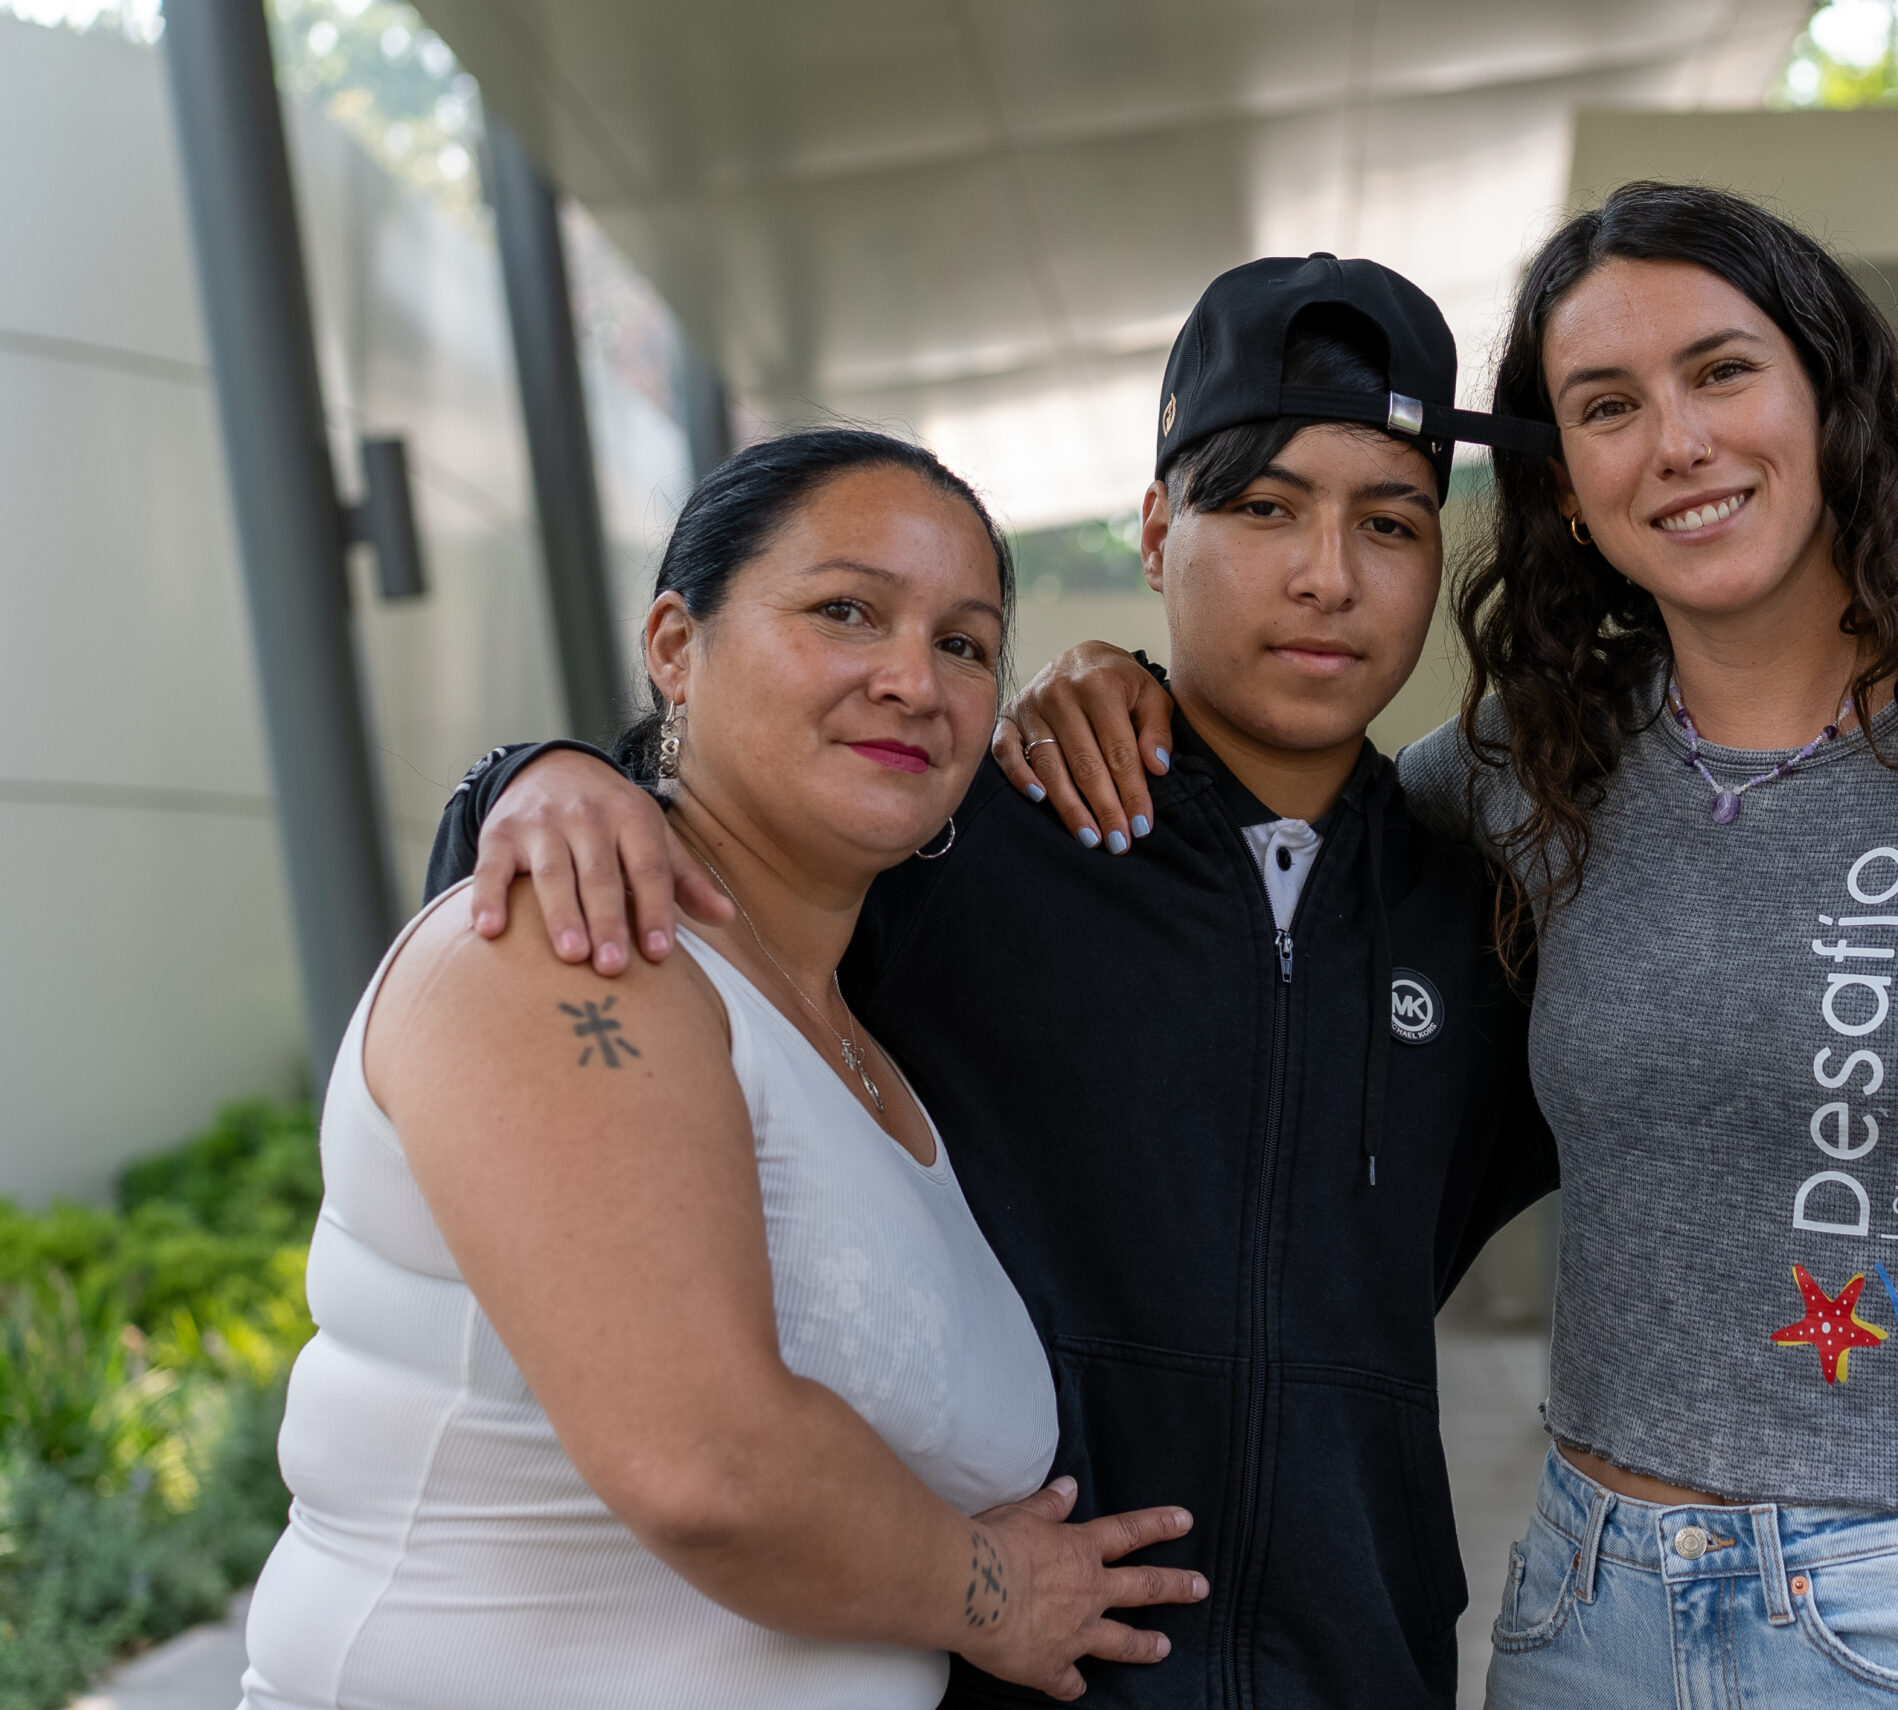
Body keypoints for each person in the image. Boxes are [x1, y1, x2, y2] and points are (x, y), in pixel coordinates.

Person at [433, 260, 1898, 1705]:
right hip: (1019, 1671)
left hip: (1365, 1668)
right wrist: (532, 778)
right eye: (1263, 509)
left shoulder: (1493, 895)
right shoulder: (977, 835)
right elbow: (712, 858)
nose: (1328, 576)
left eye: (1388, 522)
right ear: (1158, 525)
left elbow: (1741, 900)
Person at [1021, 184, 1898, 1710]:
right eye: (1606, 405)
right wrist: (1098, 676)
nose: (1675, 441)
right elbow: (1271, 811)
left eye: (1722, 370)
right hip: (1586, 1613)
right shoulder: (1512, 775)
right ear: (1563, 486)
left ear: (1831, 394)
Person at [240, 430, 1203, 1710]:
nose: (914, 680)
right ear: (675, 648)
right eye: (847, 611)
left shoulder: (865, 1049)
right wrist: (998, 1592)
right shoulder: (573, 947)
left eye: (965, 644)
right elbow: (709, 1468)